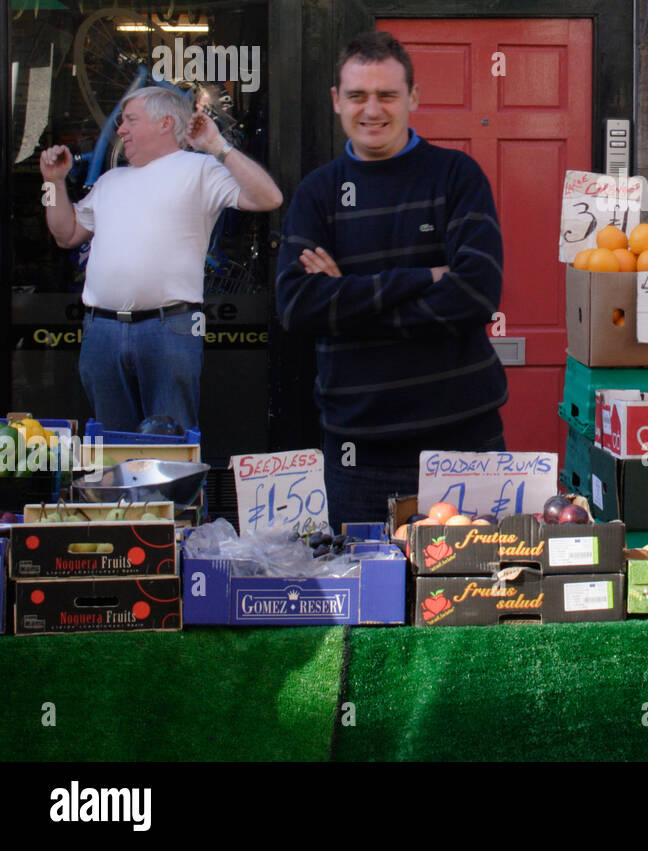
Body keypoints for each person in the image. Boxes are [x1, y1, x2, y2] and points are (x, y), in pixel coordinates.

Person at [275, 31, 508, 526]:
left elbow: (474, 295)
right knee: (366, 596)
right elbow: (298, 306)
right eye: (358, 95)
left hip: (463, 441)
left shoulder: (457, 177)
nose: (372, 110)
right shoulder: (317, 194)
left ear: (413, 98)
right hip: (360, 450)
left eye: (387, 95)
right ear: (337, 101)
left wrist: (348, 301)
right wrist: (424, 276)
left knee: (473, 594)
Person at [40, 85, 283, 432]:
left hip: (168, 327)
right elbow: (66, 235)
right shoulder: (111, 180)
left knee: (170, 446)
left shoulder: (199, 169)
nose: (120, 130)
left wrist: (218, 148)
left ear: (165, 123)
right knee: (112, 447)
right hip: (103, 329)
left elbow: (269, 197)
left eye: (130, 121)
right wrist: (53, 183)